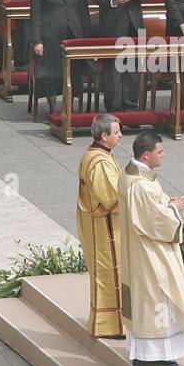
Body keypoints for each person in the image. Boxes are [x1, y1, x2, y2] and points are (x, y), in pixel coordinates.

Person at [119, 131, 184, 366]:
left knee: (150, 299)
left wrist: (165, 204)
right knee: (157, 298)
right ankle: (151, 355)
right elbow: (154, 222)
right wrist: (172, 208)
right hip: (149, 254)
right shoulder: (140, 184)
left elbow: (148, 210)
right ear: (147, 154)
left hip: (140, 249)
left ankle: (151, 353)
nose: (163, 156)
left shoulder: (133, 174)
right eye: (160, 152)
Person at [76, 113, 124, 340]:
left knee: (104, 274)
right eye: (116, 132)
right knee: (109, 274)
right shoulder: (101, 162)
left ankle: (106, 324)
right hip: (104, 228)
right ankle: (109, 326)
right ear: (104, 136)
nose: (121, 135)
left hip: (96, 224)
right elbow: (112, 199)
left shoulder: (93, 154)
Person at [30, 0, 91, 115]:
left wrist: (86, 39)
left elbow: (83, 12)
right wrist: (37, 40)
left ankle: (69, 106)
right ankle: (53, 108)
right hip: (50, 34)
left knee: (73, 71)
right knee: (50, 73)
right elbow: (35, 14)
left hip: (73, 33)